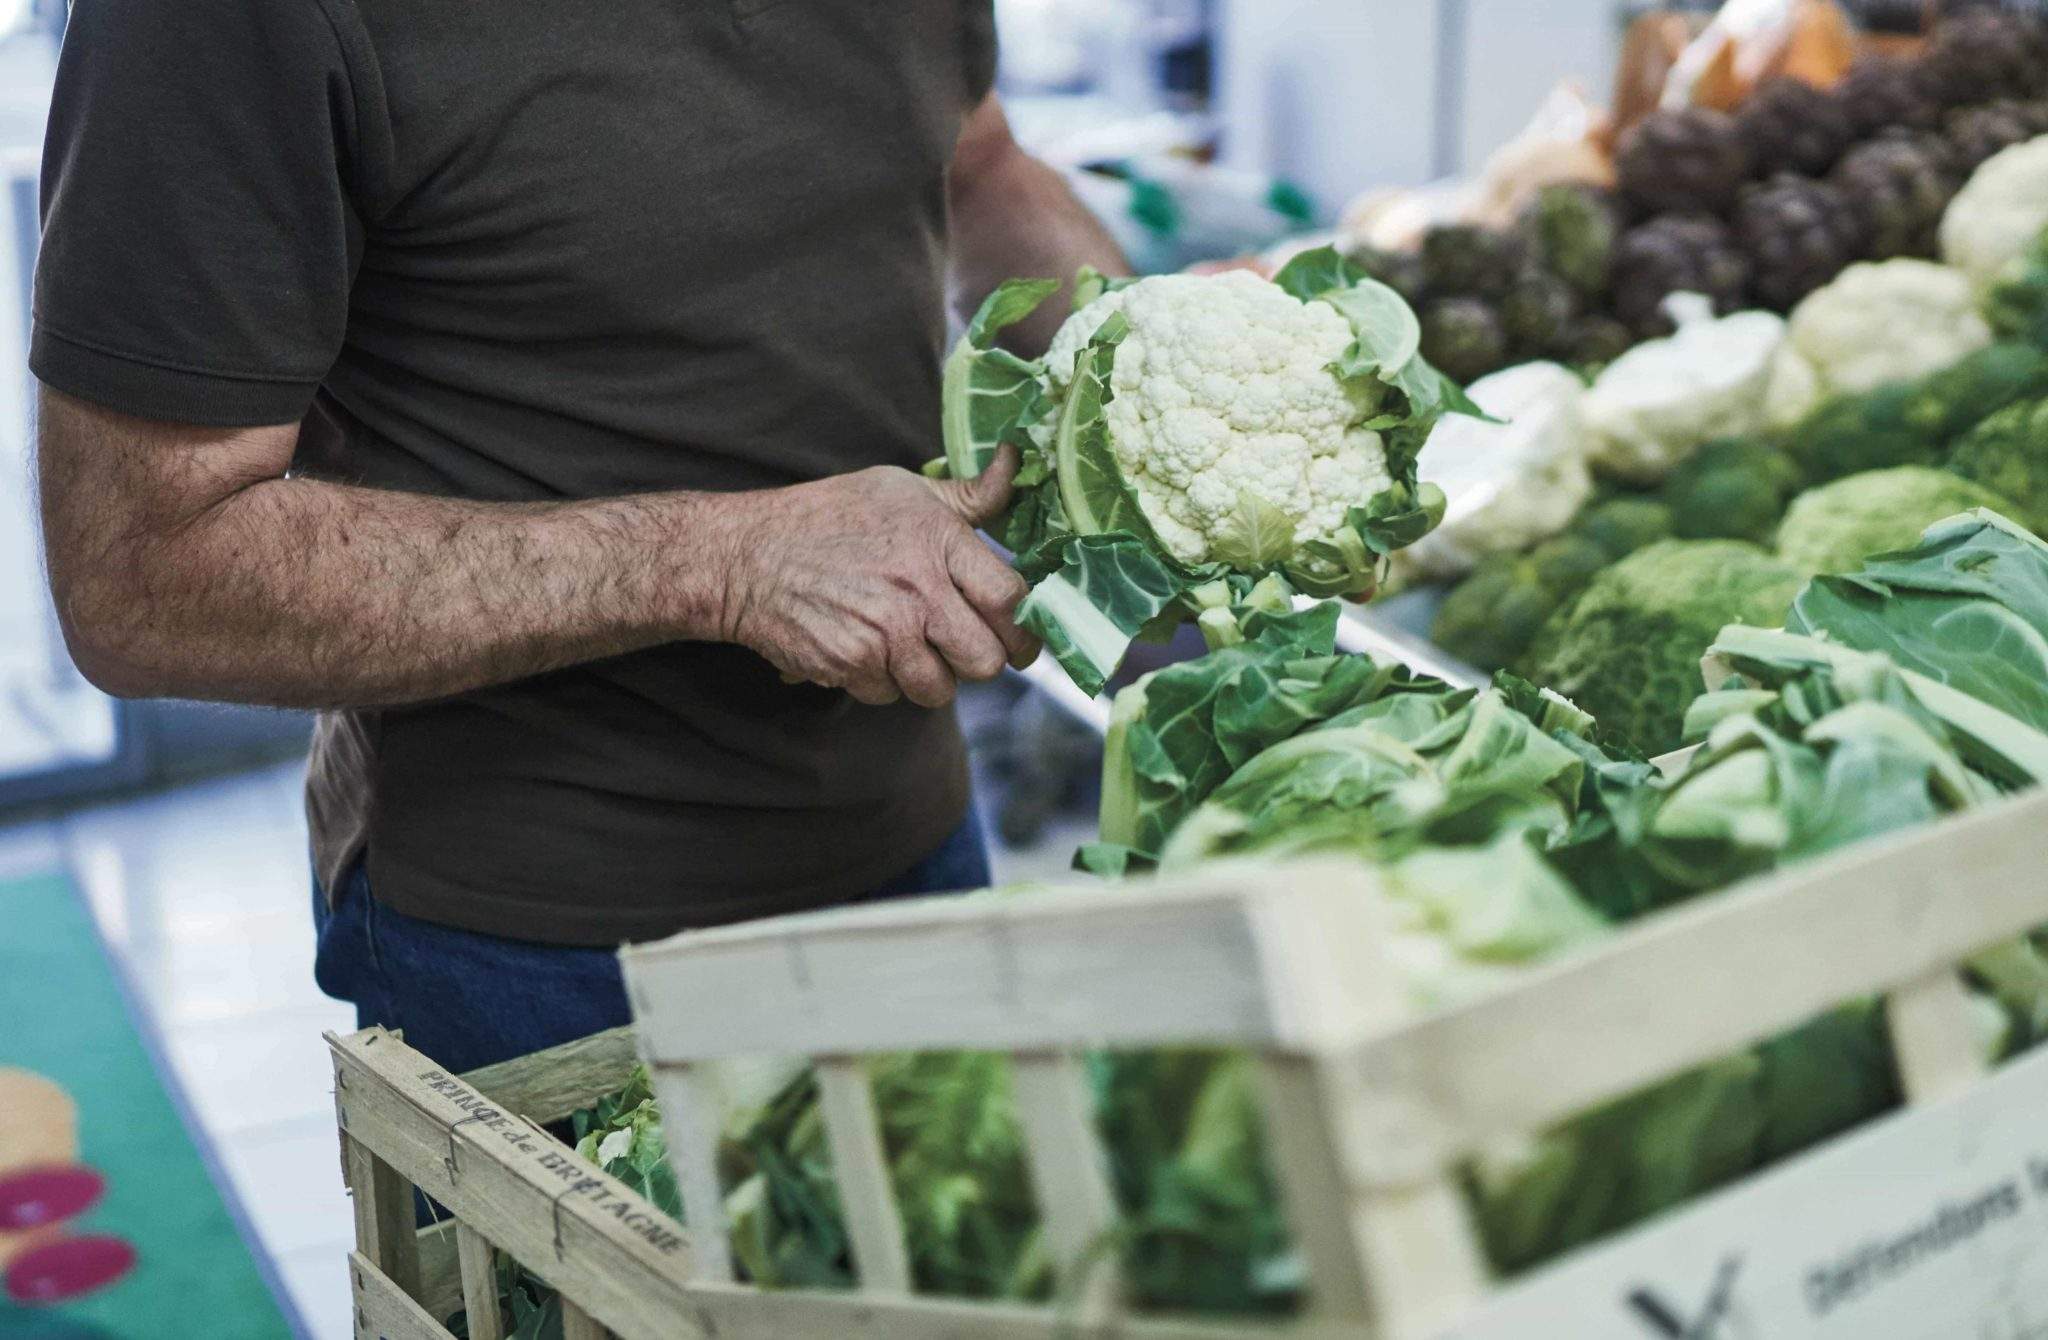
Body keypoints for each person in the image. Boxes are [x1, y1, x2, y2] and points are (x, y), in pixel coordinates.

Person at [32, 0, 1128, 1073]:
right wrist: (719, 562)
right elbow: (142, 576)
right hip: (540, 946)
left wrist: (1147, 352)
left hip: (916, 840)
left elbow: (976, 160)